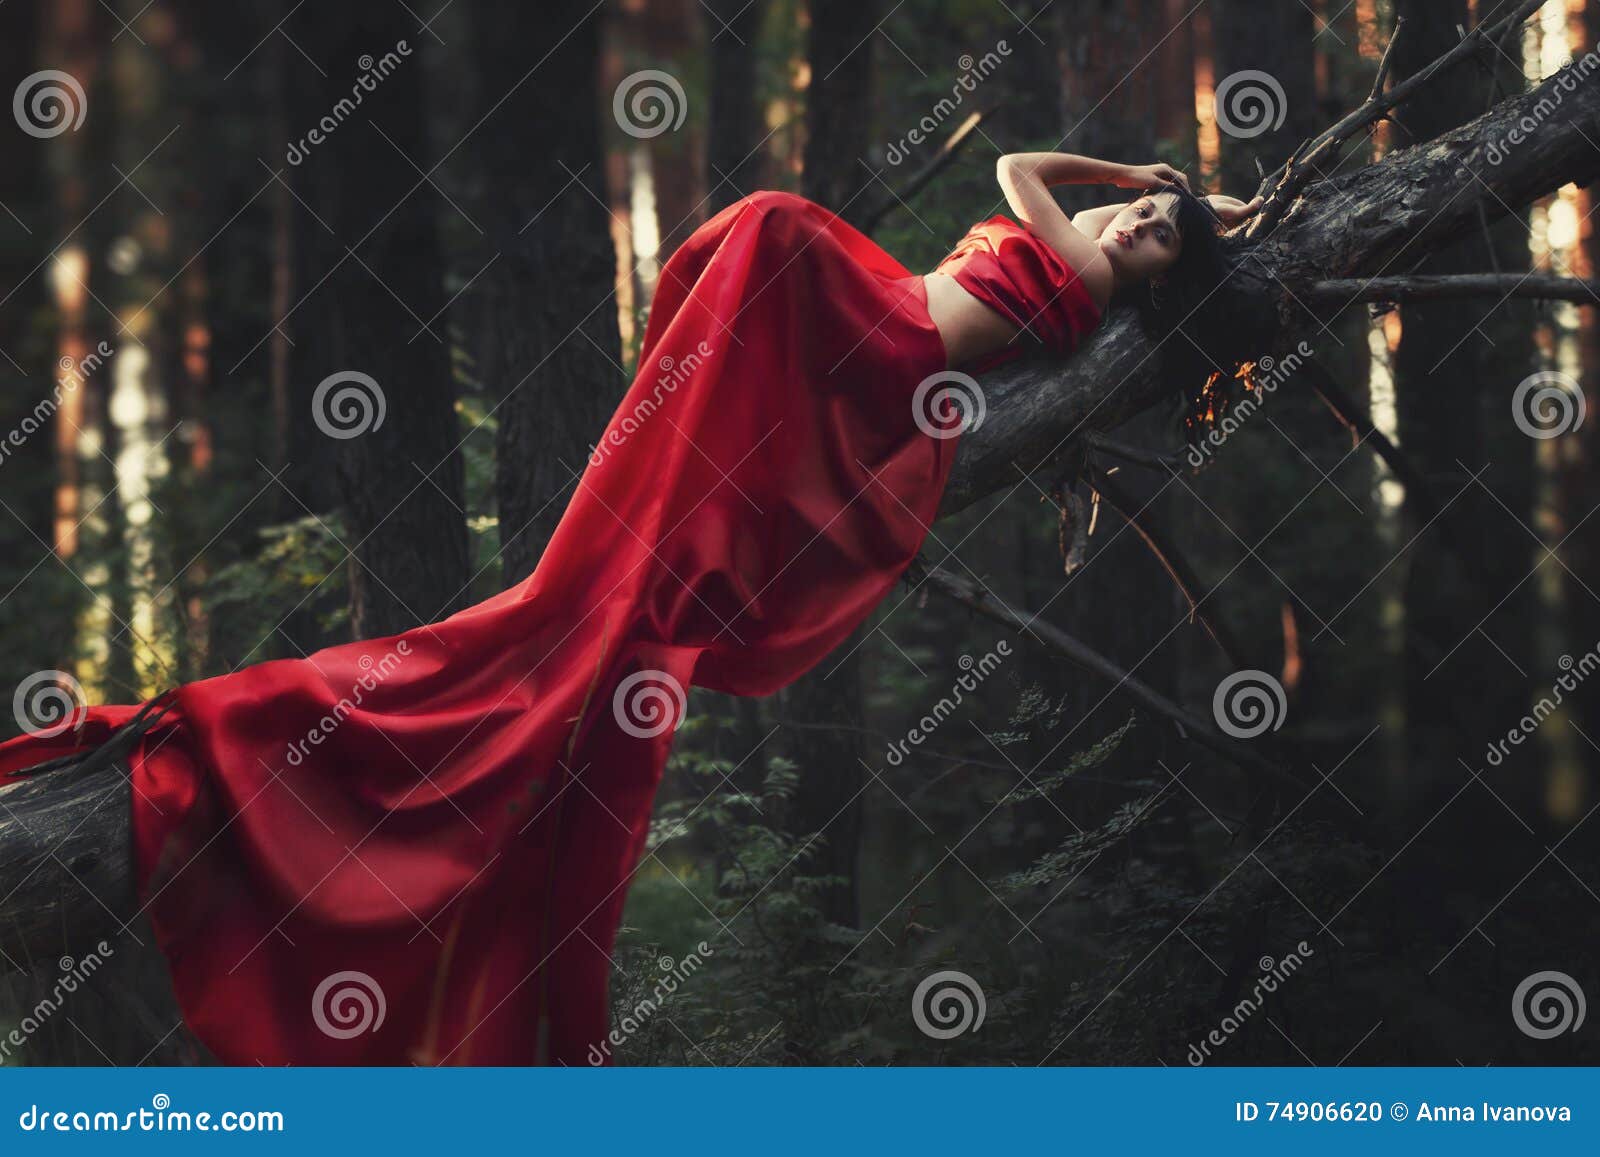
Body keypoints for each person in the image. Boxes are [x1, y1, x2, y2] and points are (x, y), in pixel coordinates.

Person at [0, 152, 1259, 1066]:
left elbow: (1015, 164)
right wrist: (1201, 198)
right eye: (1141, 207)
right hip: (874, 346)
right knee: (754, 253)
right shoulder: (1098, 257)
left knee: (768, 224)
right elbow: (1049, 187)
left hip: (886, 345)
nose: (1135, 216)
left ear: (1147, 271)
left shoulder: (1091, 271)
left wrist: (1137, 179)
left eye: (1154, 229)